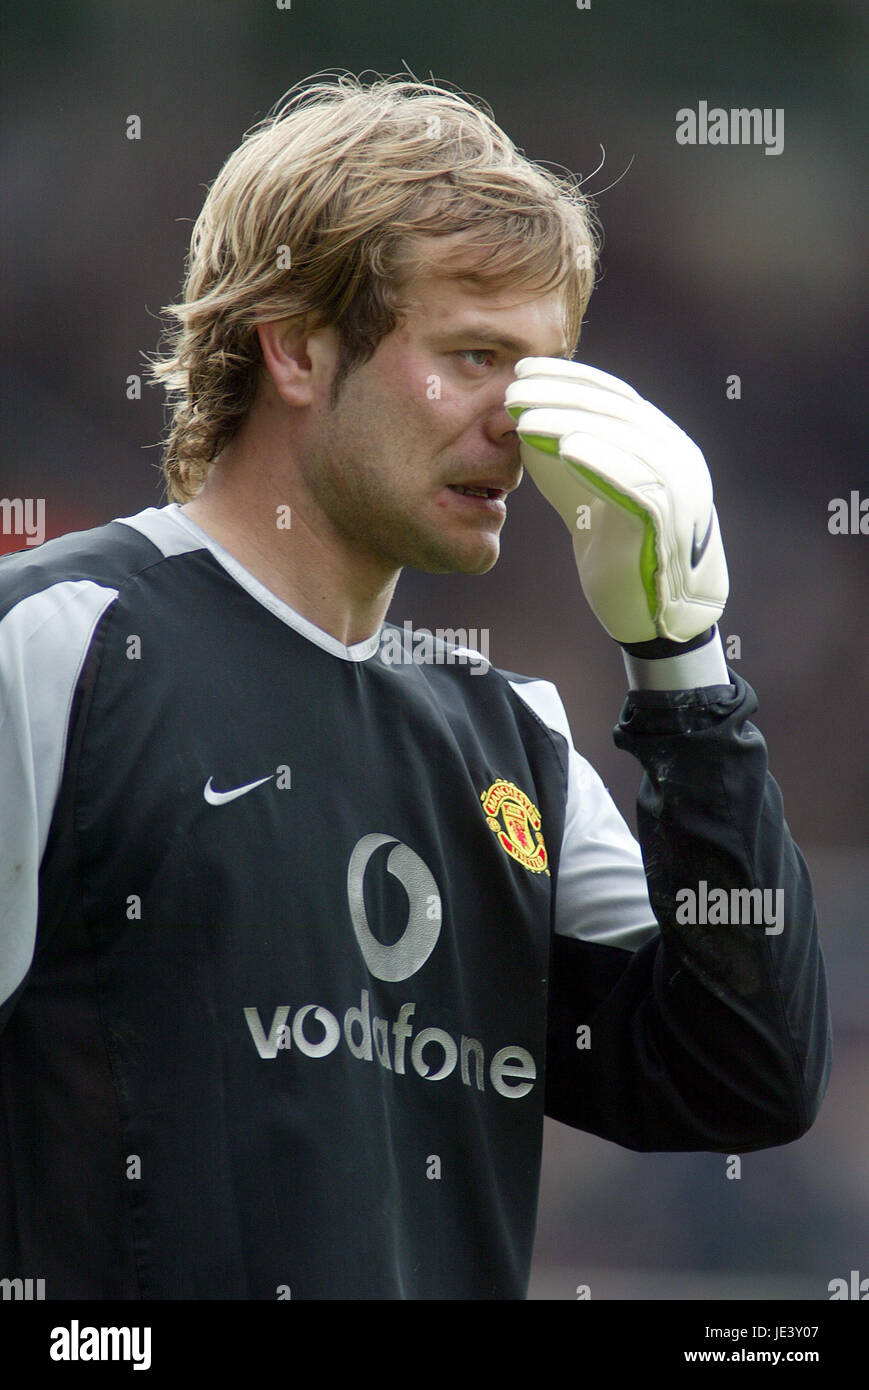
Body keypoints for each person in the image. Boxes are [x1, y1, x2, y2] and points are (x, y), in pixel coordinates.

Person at [0, 74, 830, 1300]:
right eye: (475, 357)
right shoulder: (55, 643)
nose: (521, 426)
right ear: (295, 347)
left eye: (545, 376)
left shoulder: (516, 743)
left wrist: (682, 666)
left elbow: (745, 1075)